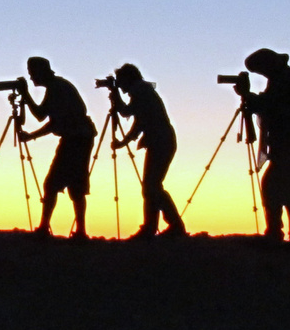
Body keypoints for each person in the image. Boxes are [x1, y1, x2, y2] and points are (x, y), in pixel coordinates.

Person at [233, 48, 290, 255]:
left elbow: (270, 105)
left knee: (284, 190)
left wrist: (248, 96)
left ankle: (283, 238)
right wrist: (250, 97)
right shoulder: (282, 76)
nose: (261, 74)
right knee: (284, 189)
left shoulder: (285, 78)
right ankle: (284, 237)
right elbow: (270, 104)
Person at [17, 56, 96, 240]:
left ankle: (47, 229)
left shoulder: (56, 88)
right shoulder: (58, 86)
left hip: (76, 139)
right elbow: (52, 121)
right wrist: (31, 136)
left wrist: (25, 94)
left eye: (32, 73)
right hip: (78, 138)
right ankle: (78, 231)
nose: (31, 77)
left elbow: (41, 116)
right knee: (74, 187)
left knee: (55, 184)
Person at [111, 63, 187, 240]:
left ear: (128, 78)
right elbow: (139, 121)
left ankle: (171, 226)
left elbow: (127, 112)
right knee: (151, 187)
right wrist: (124, 142)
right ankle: (152, 227)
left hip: (161, 141)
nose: (119, 85)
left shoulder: (140, 90)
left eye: (120, 81)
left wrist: (115, 94)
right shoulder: (142, 90)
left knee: (152, 186)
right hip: (160, 141)